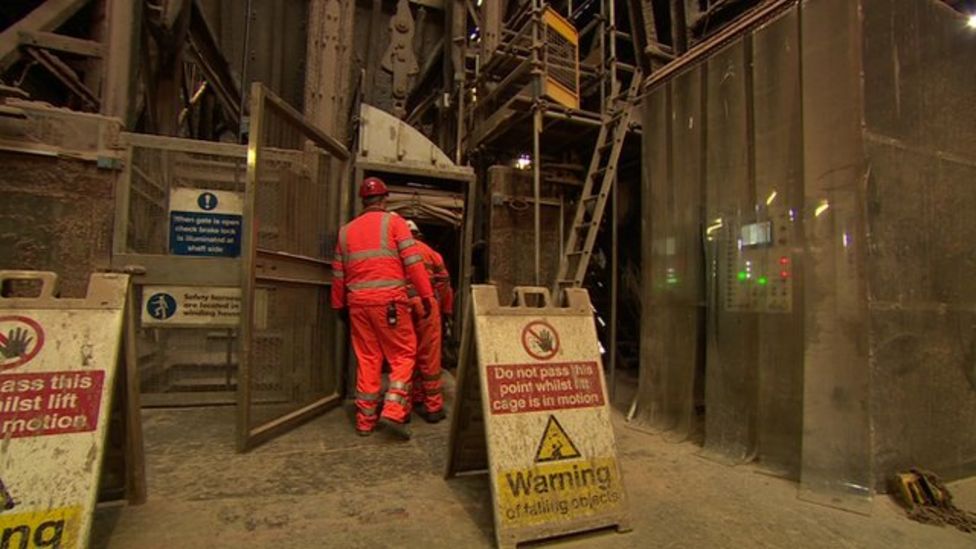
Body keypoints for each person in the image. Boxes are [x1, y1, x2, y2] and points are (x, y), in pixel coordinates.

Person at [331, 177, 434, 439]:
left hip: (358, 305)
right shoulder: (395, 223)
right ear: (385, 199)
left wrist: (339, 304)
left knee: (367, 358)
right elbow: (413, 264)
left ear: (362, 201)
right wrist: (426, 296)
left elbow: (339, 275)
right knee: (403, 355)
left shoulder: (345, 231)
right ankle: (393, 410)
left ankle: (365, 420)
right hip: (390, 303)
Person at [404, 219, 454, 423]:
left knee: (405, 356)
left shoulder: (395, 253)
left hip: (402, 304)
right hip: (427, 305)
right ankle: (433, 407)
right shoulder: (432, 253)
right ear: (419, 234)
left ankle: (405, 404)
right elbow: (444, 285)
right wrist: (444, 310)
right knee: (429, 356)